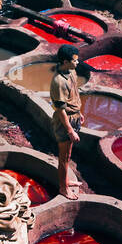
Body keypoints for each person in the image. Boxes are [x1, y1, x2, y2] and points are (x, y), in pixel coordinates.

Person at [49, 44, 83, 199]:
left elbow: (74, 95)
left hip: (74, 116)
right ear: (64, 61)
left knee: (68, 154)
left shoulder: (71, 72)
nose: (77, 62)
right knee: (64, 157)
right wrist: (70, 130)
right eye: (74, 60)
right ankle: (63, 188)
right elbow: (61, 110)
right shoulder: (58, 82)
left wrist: (79, 112)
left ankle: (66, 180)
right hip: (65, 122)